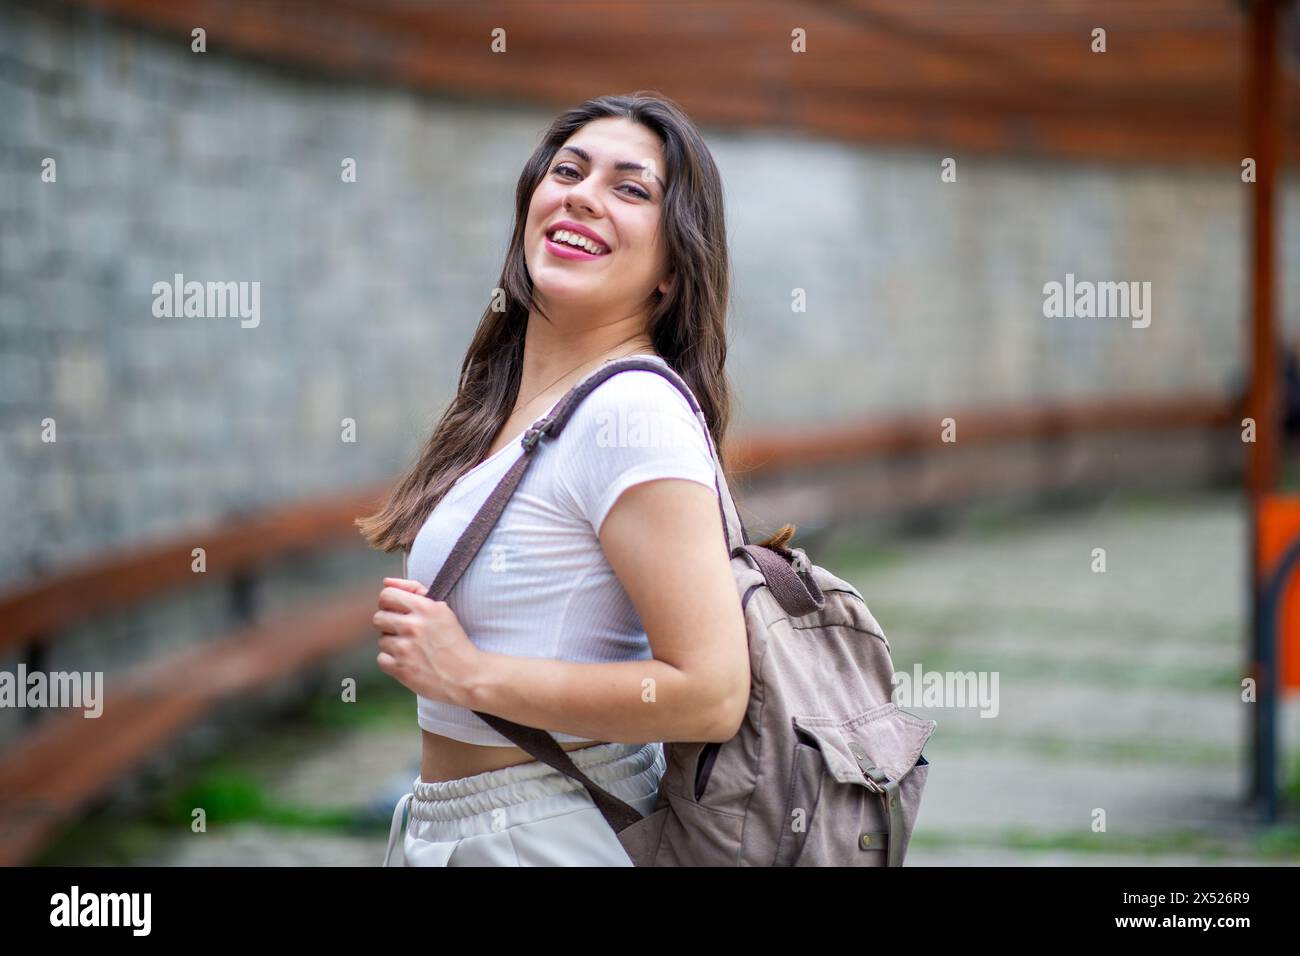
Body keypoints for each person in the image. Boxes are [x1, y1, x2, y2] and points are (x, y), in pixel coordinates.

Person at [355, 91, 750, 866]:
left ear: (673, 268)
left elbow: (712, 692)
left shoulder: (632, 413)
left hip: (544, 836)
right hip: (465, 828)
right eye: (568, 170)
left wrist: (472, 675)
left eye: (630, 188)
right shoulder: (520, 404)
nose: (584, 195)